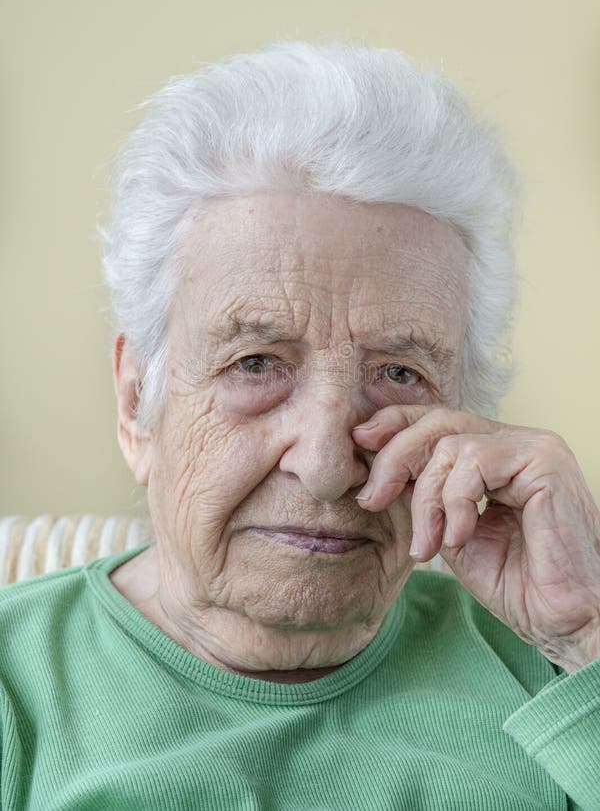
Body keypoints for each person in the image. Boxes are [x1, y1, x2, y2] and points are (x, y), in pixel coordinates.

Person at [1, 41, 599, 811]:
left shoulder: (557, 671)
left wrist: (587, 634)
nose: (325, 464)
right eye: (256, 364)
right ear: (136, 401)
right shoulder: (16, 688)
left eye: (399, 375)